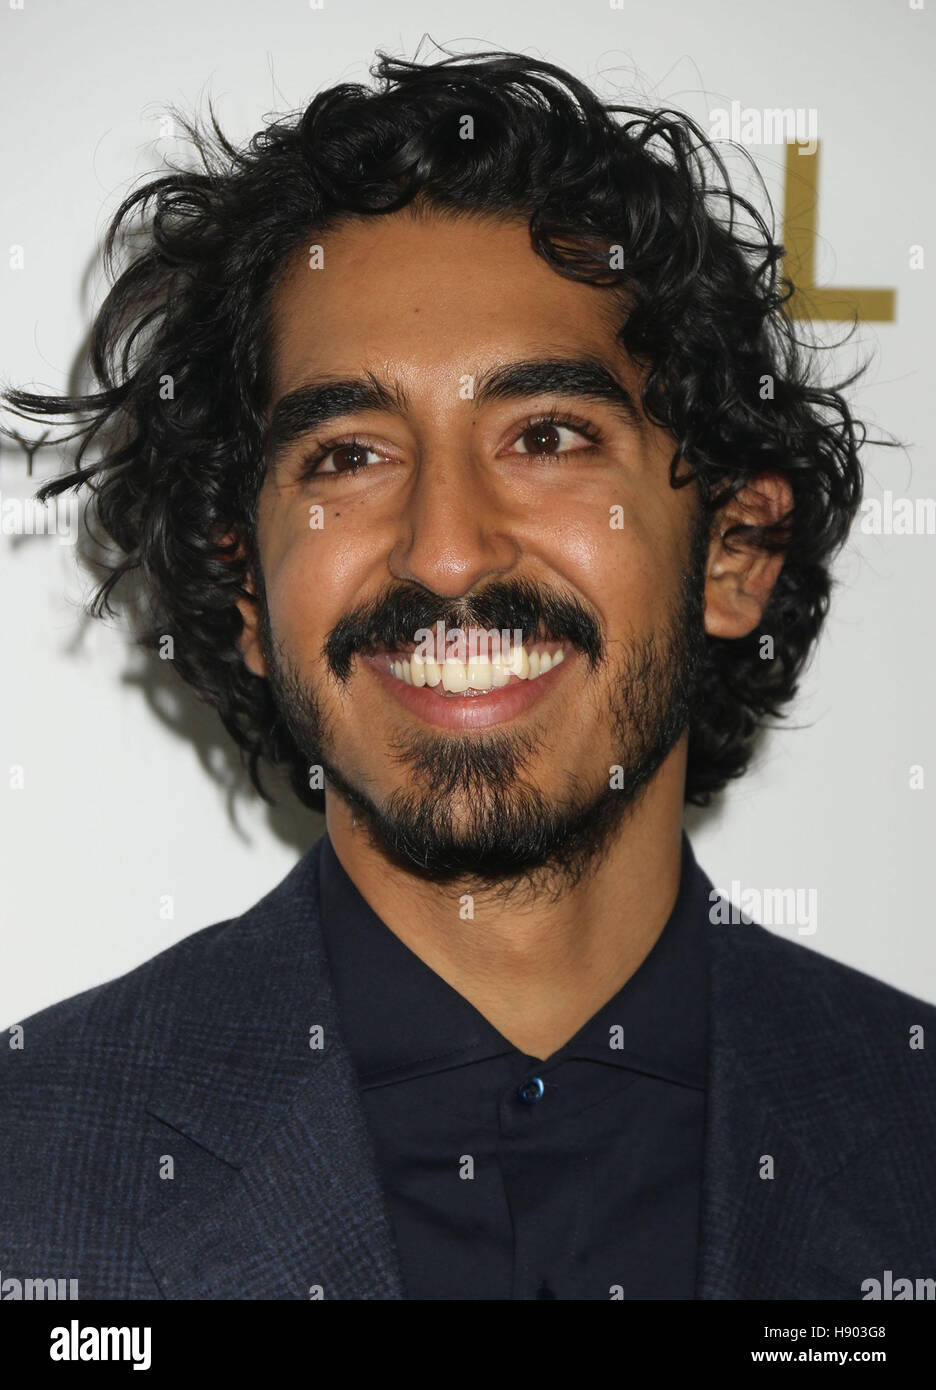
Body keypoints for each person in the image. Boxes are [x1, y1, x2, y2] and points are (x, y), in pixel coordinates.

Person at [2, 48, 933, 1302]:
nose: (445, 550)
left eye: (547, 436)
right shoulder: (33, 1168)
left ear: (734, 551)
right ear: (247, 596)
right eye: (347, 455)